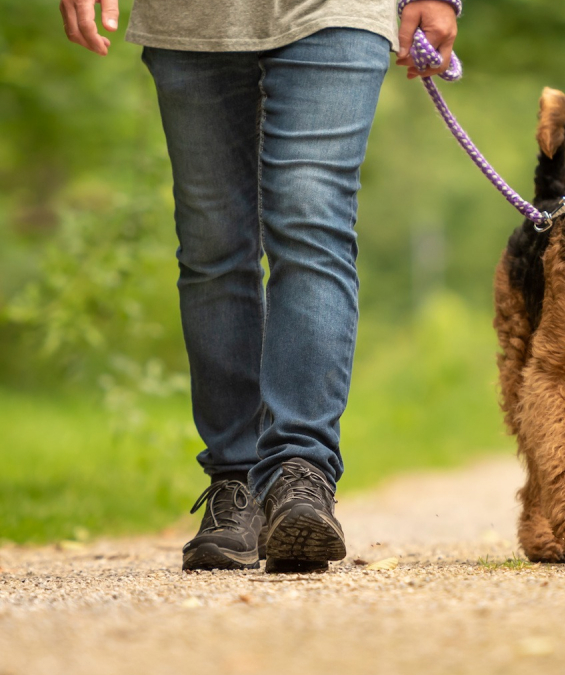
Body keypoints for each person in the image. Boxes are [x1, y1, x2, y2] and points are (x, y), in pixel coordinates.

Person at [59, 0, 459, 572]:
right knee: (212, 248)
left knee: (310, 222)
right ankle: (236, 481)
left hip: (338, 13)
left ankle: (301, 474)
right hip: (190, 21)